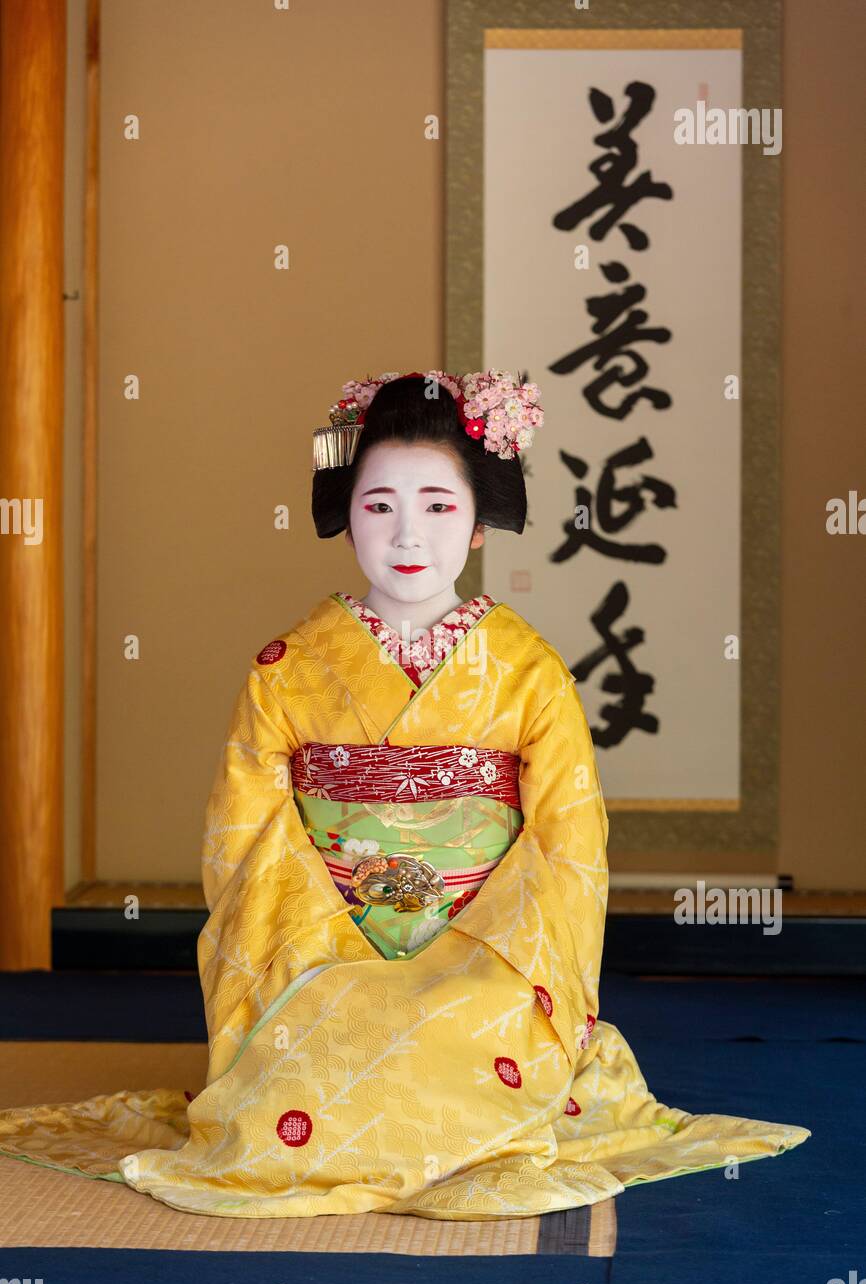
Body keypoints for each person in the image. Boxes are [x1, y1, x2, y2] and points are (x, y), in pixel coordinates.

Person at [0, 371, 809, 1219]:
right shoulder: (289, 667)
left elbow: (568, 843)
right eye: (380, 505)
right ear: (345, 513)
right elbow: (246, 832)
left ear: (481, 517)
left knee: (464, 1020)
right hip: (320, 932)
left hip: (490, 938)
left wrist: (497, 951)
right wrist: (320, 934)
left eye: (438, 504)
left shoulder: (530, 670)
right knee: (327, 1026)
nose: (408, 533)